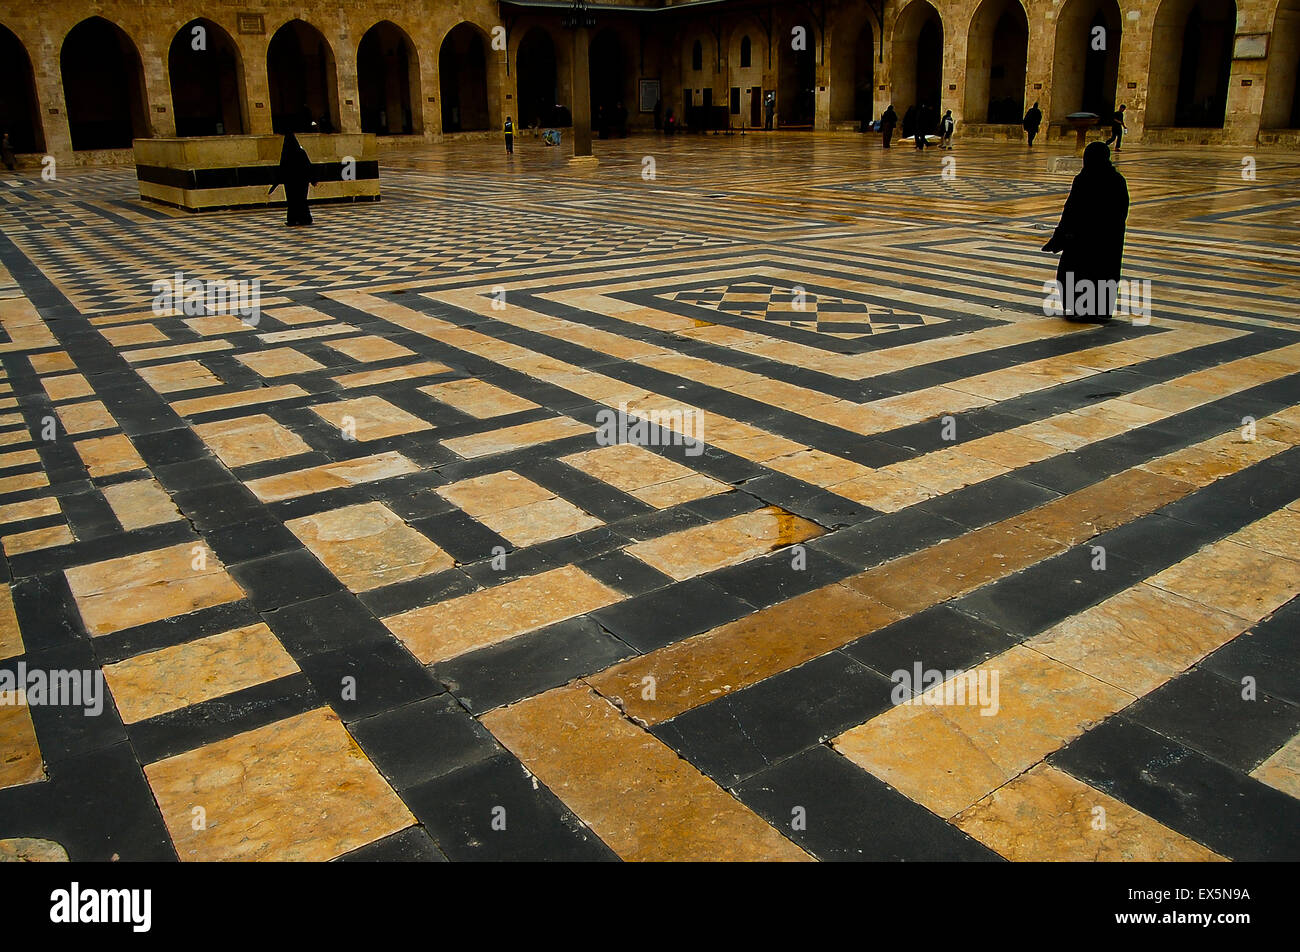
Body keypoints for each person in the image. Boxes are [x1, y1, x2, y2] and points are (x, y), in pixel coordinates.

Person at [1041, 141, 1129, 323]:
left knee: (1073, 273)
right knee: (1103, 273)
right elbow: (1122, 211)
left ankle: (1078, 309)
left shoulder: (1084, 179)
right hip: (1108, 240)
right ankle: (1101, 311)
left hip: (1082, 240)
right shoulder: (1117, 180)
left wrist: (1059, 237)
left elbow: (1071, 211)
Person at [268, 131, 318, 227]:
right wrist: (313, 180)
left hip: (290, 182)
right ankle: (305, 218)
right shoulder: (301, 152)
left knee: (292, 201)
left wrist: (275, 184)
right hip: (302, 182)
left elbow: (282, 169)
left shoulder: (286, 154)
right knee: (302, 200)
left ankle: (293, 219)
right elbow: (308, 166)